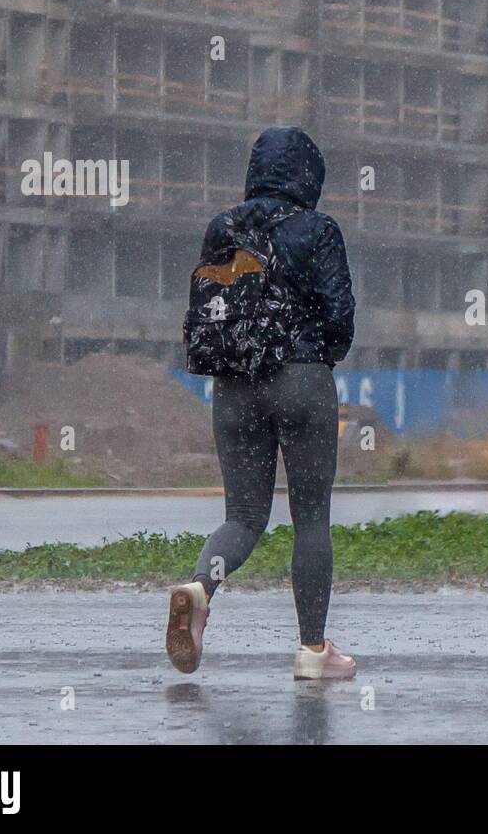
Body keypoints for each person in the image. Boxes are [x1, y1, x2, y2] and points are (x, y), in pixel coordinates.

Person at [165, 127, 356, 680]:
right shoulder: (318, 229)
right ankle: (313, 651)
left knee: (244, 516)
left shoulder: (222, 227)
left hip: (233, 385)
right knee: (311, 518)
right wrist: (317, 355)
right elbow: (340, 316)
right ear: (308, 175)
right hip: (300, 380)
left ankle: (200, 588)